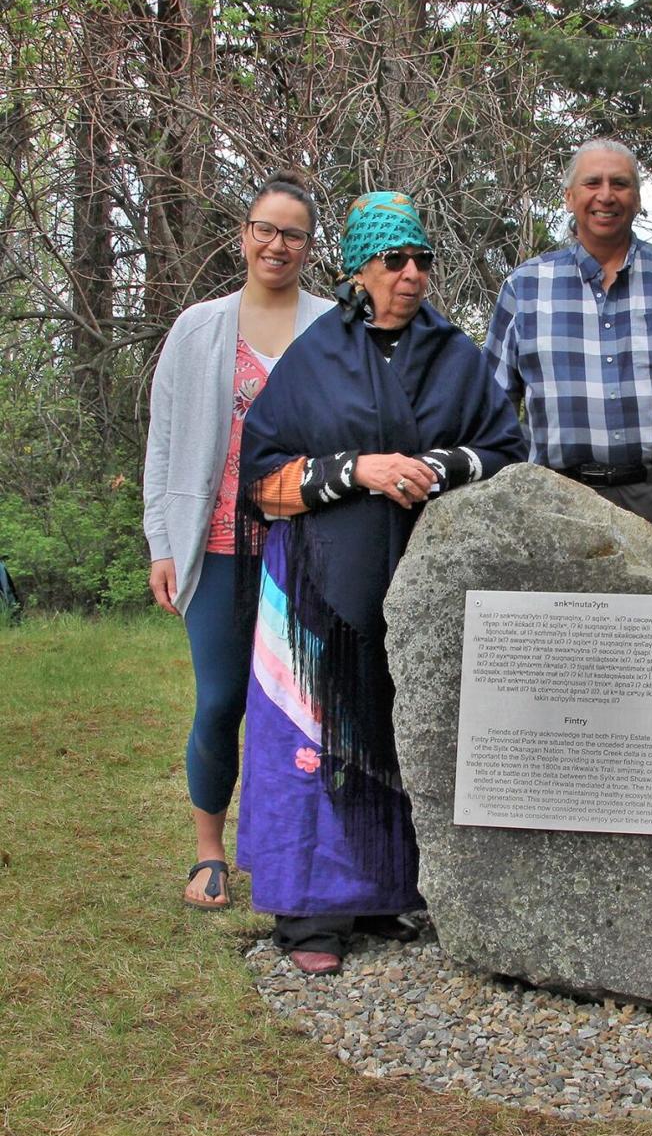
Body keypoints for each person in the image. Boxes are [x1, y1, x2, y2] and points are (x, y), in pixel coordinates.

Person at [236, 192, 525, 975]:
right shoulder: (314, 356)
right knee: (311, 740)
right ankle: (311, 912)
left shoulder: (453, 355)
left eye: (422, 259)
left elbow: (503, 445)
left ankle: (387, 888)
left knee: (403, 732)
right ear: (359, 271)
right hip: (316, 586)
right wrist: (356, 470)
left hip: (418, 581)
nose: (412, 274)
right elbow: (260, 475)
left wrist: (438, 466)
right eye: (394, 260)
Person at [143, 170, 333, 911]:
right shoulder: (197, 327)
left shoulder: (331, 327)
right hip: (217, 545)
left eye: (291, 233)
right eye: (265, 228)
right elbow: (163, 444)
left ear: (308, 248)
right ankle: (208, 851)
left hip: (307, 549)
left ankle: (297, 849)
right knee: (220, 700)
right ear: (244, 234)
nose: (275, 244)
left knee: (304, 706)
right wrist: (164, 542)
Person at [482, 139, 652, 540]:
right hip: (554, 502)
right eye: (592, 183)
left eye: (620, 183)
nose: (606, 196)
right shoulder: (525, 287)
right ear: (568, 197)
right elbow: (496, 405)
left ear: (637, 197)